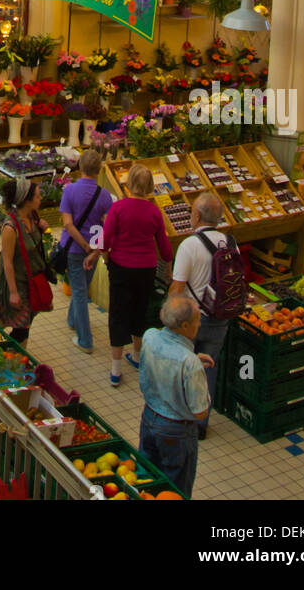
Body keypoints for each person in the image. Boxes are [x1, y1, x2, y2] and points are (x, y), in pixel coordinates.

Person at [86, 162, 172, 386]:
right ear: (151, 185)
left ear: (129, 183)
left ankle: (115, 369)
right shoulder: (154, 211)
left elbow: (105, 240)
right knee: (139, 310)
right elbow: (164, 247)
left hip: (121, 267)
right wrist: (169, 264)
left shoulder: (119, 208)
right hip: (146, 269)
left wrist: (101, 256)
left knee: (117, 313)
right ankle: (136, 356)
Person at [169, 191, 233, 438]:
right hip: (220, 317)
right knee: (208, 369)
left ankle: (182, 420)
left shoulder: (189, 245)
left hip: (191, 320)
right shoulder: (230, 242)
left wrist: (168, 315)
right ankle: (201, 424)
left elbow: (177, 286)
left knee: (185, 368)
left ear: (196, 215)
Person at [138, 294, 213, 499]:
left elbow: (165, 357)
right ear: (186, 325)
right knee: (175, 490)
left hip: (149, 419)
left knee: (145, 482)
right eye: (198, 319)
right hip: (177, 432)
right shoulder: (190, 364)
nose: (200, 323)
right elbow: (200, 412)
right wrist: (197, 372)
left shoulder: (150, 337)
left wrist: (193, 359)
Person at [58, 146, 112, 354]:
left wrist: (84, 245)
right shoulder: (104, 195)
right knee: (82, 287)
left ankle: (85, 339)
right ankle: (73, 319)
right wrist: (95, 250)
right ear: (99, 169)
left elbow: (68, 224)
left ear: (80, 166)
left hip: (74, 248)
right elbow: (107, 227)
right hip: (93, 251)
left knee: (79, 291)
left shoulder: (70, 190)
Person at [0, 177, 49, 344]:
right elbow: (7, 261)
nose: (40, 198)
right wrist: (13, 292)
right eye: (37, 196)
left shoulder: (33, 217)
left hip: (31, 281)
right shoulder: (10, 228)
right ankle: (2, 351)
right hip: (14, 283)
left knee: (24, 323)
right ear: (26, 200)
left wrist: (40, 228)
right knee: (3, 322)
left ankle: (16, 354)